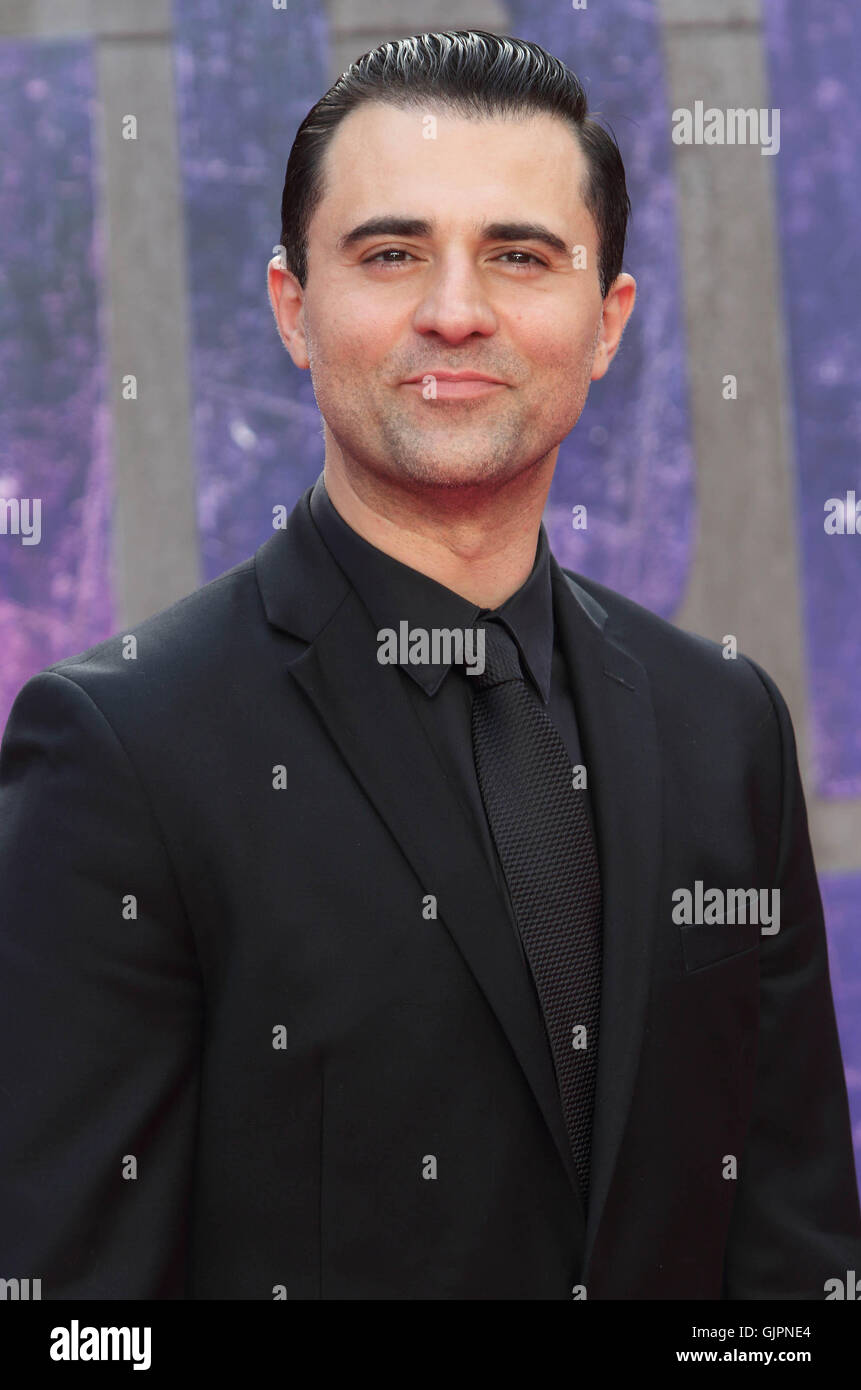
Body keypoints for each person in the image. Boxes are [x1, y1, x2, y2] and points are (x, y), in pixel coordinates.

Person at [1, 29, 858, 1301]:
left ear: (608, 319)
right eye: (392, 252)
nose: (455, 309)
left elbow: (790, 1265)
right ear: (295, 308)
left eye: (520, 255)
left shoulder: (719, 721)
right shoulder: (123, 751)